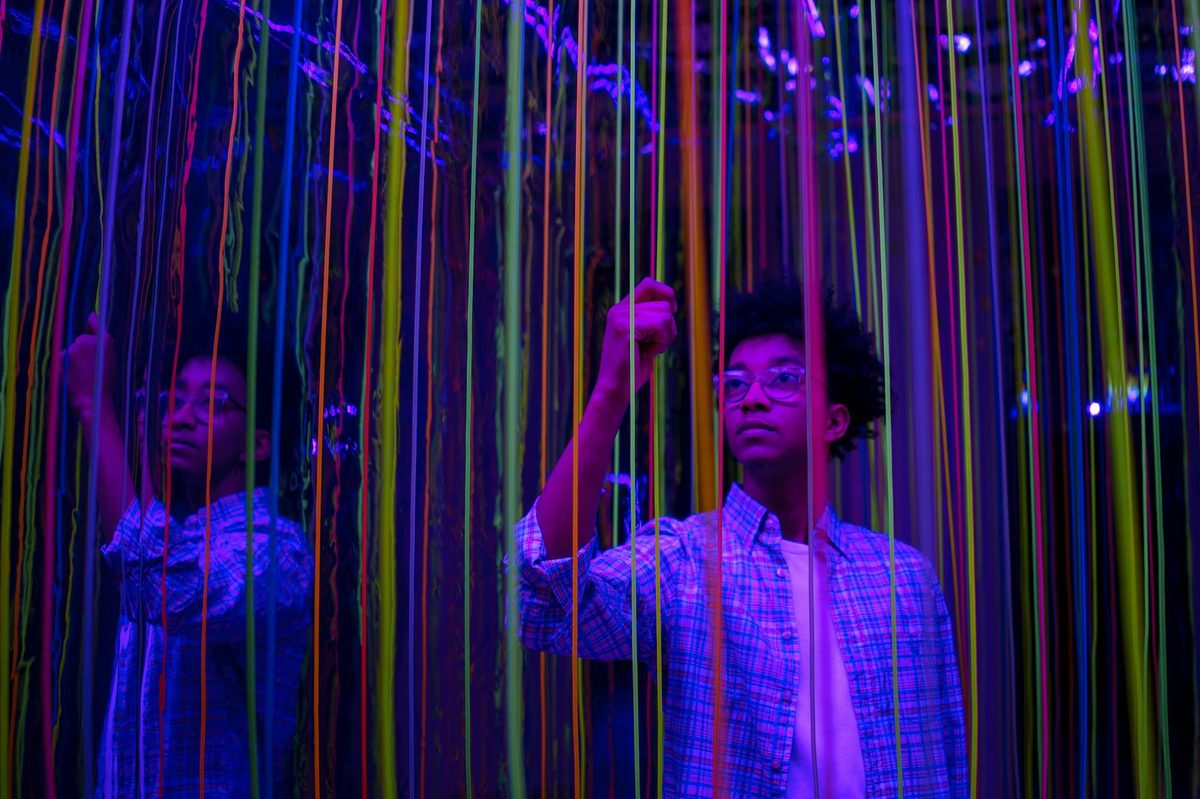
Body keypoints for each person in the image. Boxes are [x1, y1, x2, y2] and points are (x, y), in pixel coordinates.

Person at [513, 278, 966, 797]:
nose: (751, 399)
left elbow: (944, 755)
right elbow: (542, 605)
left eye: (783, 379)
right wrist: (612, 392)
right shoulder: (683, 559)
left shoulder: (901, 576)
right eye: (733, 384)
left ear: (835, 420)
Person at [63, 313, 312, 797]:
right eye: (173, 400)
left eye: (213, 401)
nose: (180, 415)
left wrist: (95, 409)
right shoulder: (177, 539)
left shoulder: (281, 553)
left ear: (258, 445)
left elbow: (165, 587)